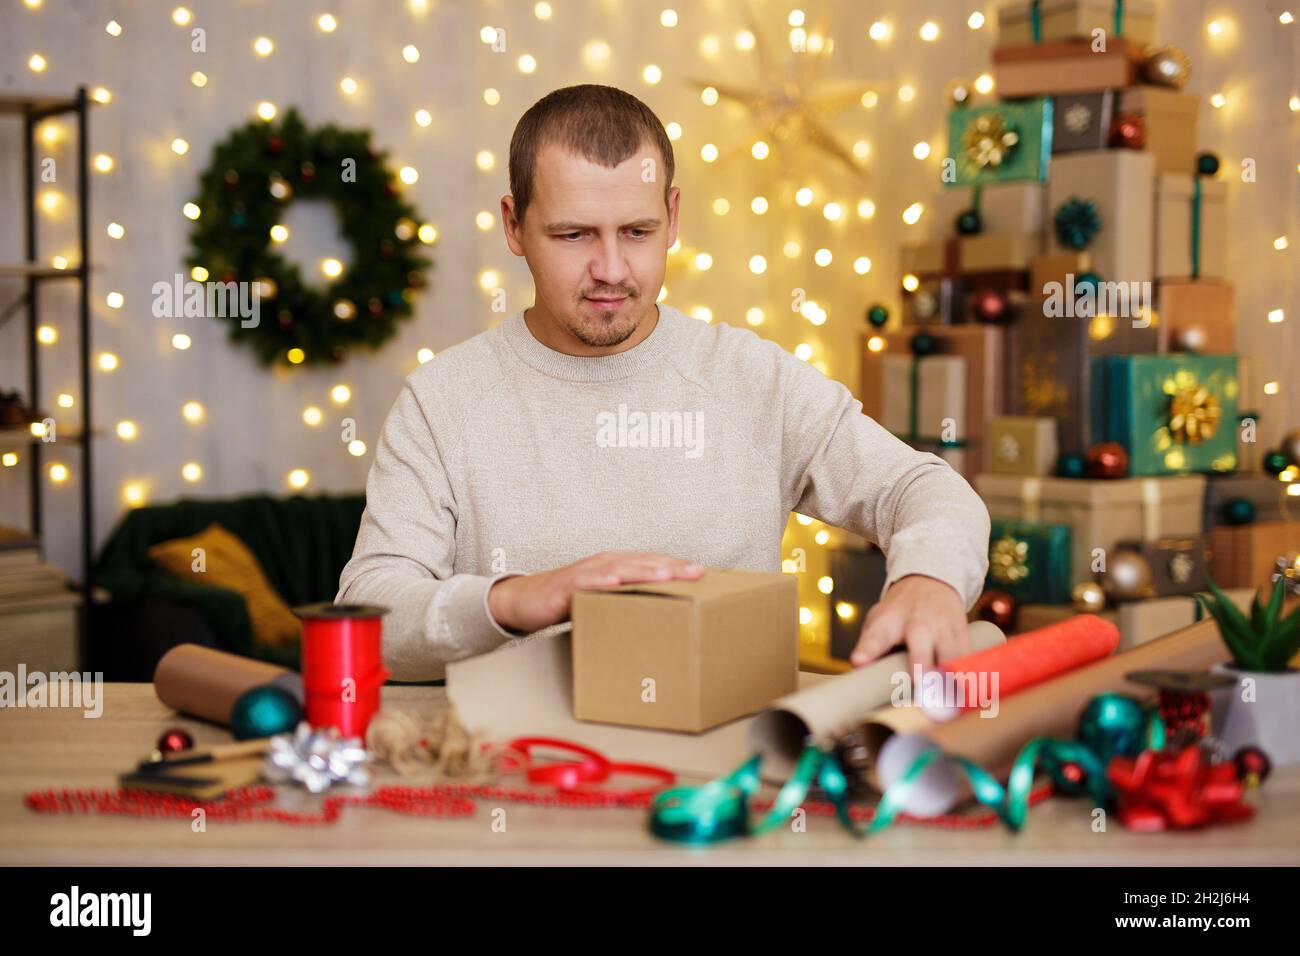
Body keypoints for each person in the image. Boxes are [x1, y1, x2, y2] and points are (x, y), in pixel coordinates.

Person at [337, 84, 990, 682]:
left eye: (638, 232)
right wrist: (514, 600)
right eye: (573, 234)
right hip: (520, 770)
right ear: (514, 226)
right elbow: (369, 615)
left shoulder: (751, 380)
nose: (611, 269)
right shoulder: (443, 400)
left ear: (672, 216)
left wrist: (928, 578)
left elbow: (921, 487)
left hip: (728, 767)